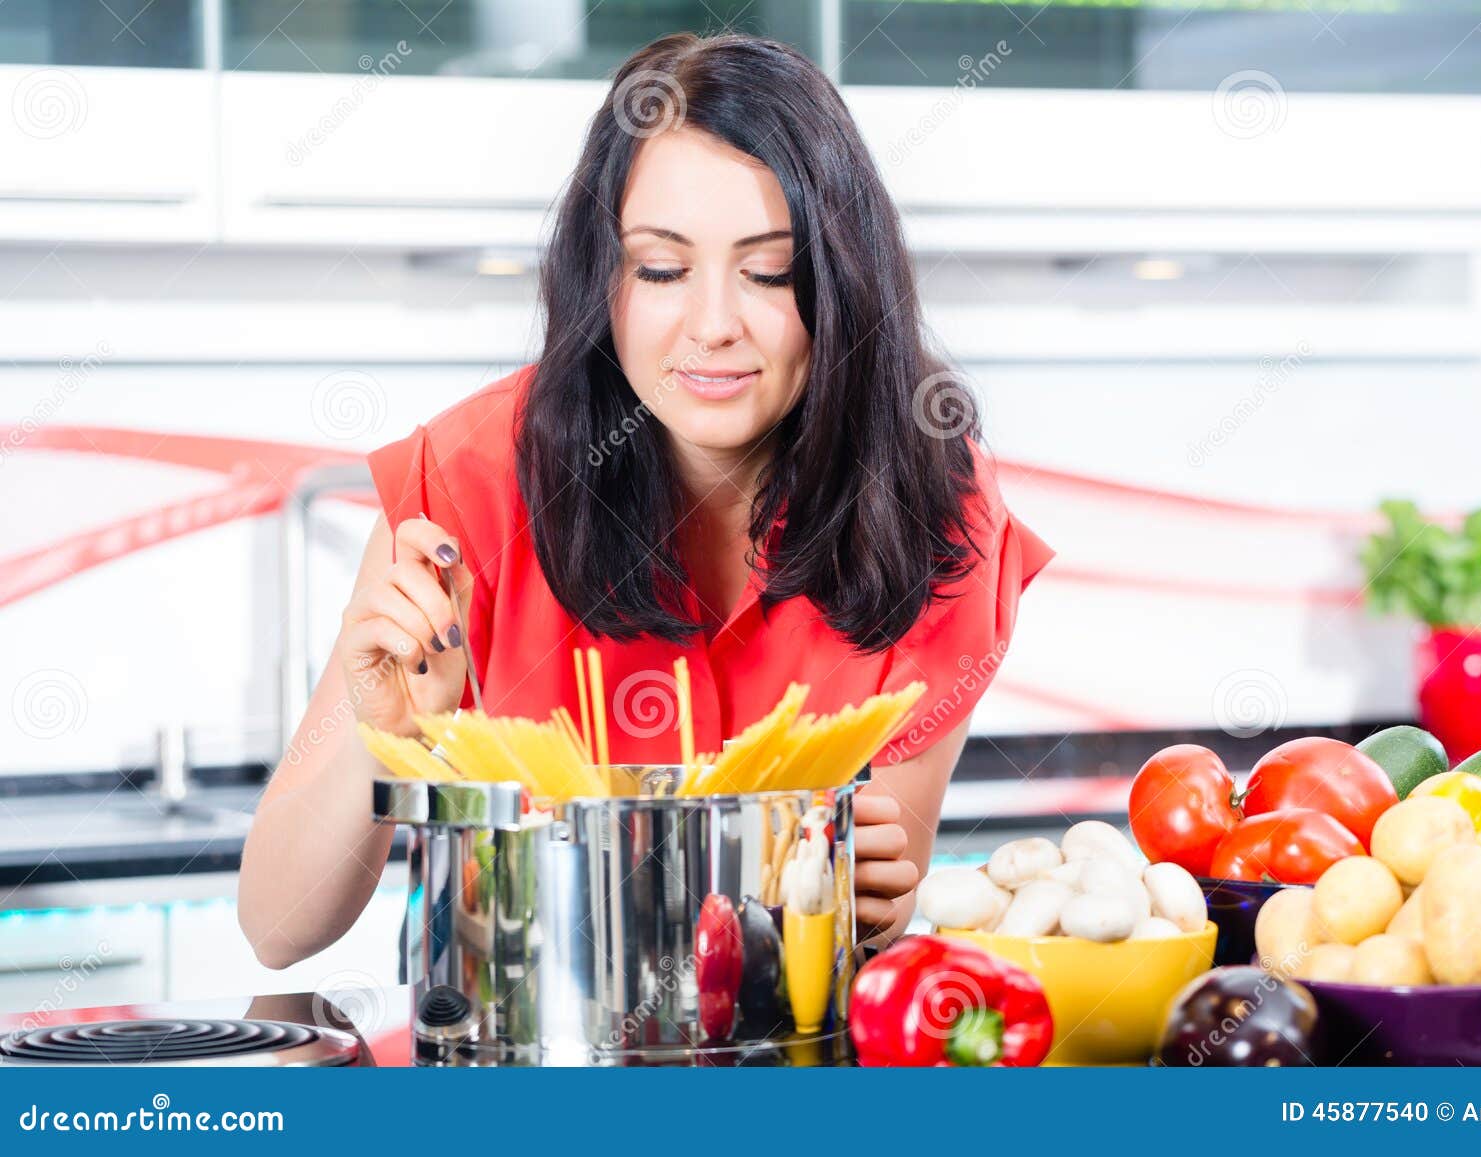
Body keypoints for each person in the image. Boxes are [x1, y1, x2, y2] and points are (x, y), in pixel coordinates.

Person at [239, 31, 1052, 970]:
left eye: (771, 272)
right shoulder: (460, 488)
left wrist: (879, 897)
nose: (712, 325)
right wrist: (380, 737)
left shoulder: (931, 507)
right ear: (604, 281)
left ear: (844, 282)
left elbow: (854, 926)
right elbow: (276, 924)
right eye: (662, 269)